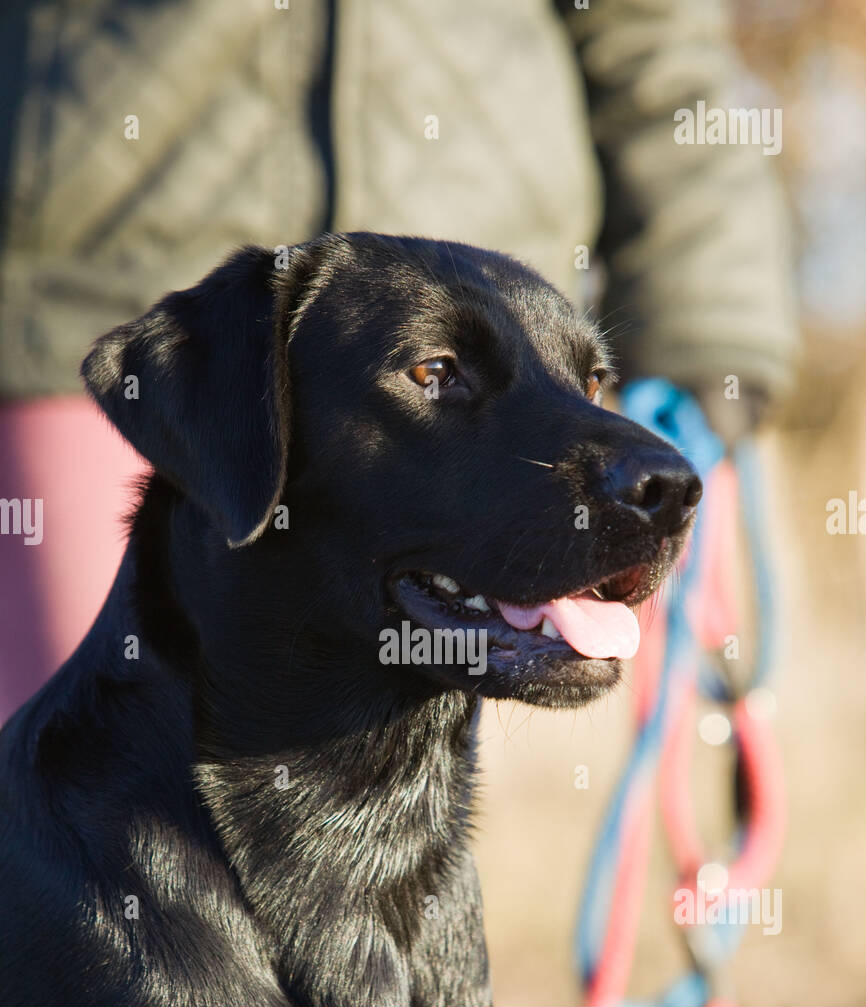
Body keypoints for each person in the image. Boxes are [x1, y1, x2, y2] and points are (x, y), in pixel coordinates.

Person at [0, 0, 797, 720]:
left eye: (590, 383)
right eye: (439, 375)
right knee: (87, 766)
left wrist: (704, 332)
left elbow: (652, 34)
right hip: (93, 281)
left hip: (495, 245)